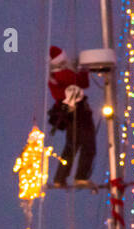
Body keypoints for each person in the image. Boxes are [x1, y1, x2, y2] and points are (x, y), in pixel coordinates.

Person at [46, 46, 96, 188]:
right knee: (88, 145)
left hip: (68, 113)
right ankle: (81, 176)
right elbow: (83, 83)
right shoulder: (62, 74)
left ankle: (60, 178)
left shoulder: (54, 76)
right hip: (79, 112)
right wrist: (83, 69)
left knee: (71, 146)